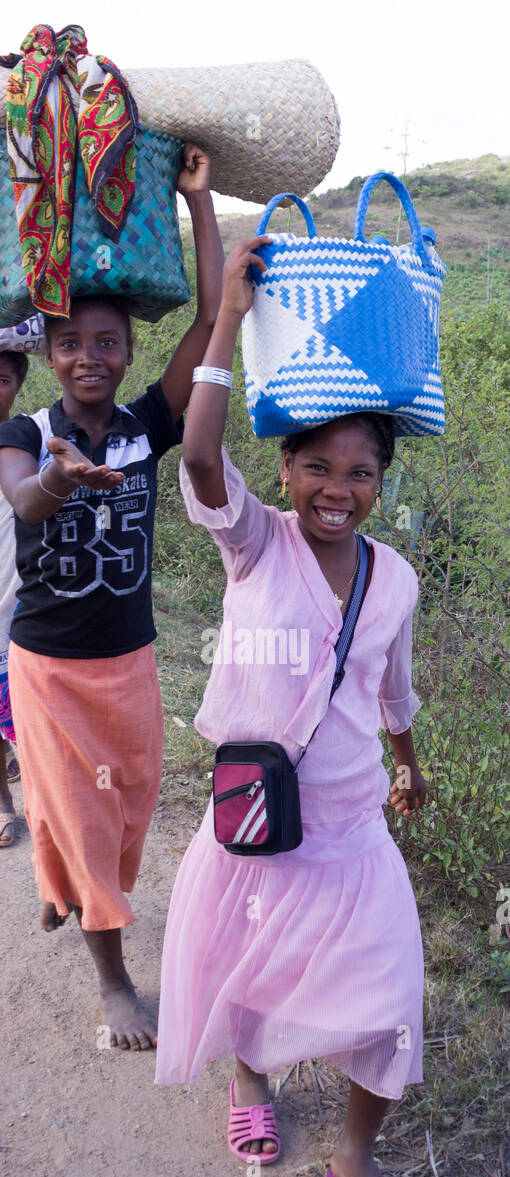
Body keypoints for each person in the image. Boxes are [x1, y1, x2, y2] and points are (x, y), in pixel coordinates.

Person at [155, 238, 428, 1177]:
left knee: (392, 998)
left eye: (360, 472)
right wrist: (227, 314)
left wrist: (410, 757)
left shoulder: (394, 578)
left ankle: (356, 1165)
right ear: (284, 468)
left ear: (380, 483)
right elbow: (194, 453)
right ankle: (250, 1075)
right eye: (318, 465)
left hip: (353, 831)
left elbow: (393, 684)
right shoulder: (254, 541)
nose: (337, 488)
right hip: (258, 821)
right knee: (252, 975)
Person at [0, 144, 224, 1050]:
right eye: (70, 344)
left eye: (106, 343)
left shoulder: (145, 425)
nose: (89, 357)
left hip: (129, 662)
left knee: (127, 805)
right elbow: (20, 499)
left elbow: (212, 321)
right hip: (49, 669)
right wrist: (61, 482)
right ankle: (114, 982)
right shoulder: (27, 429)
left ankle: (63, 879)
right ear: (48, 355)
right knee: (90, 818)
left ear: (129, 351)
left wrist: (201, 207)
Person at [0, 349, 29, 846]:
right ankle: (3, 804)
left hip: (24, 605)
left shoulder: (29, 439)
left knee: (34, 722)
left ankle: (50, 817)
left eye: (2, 378)